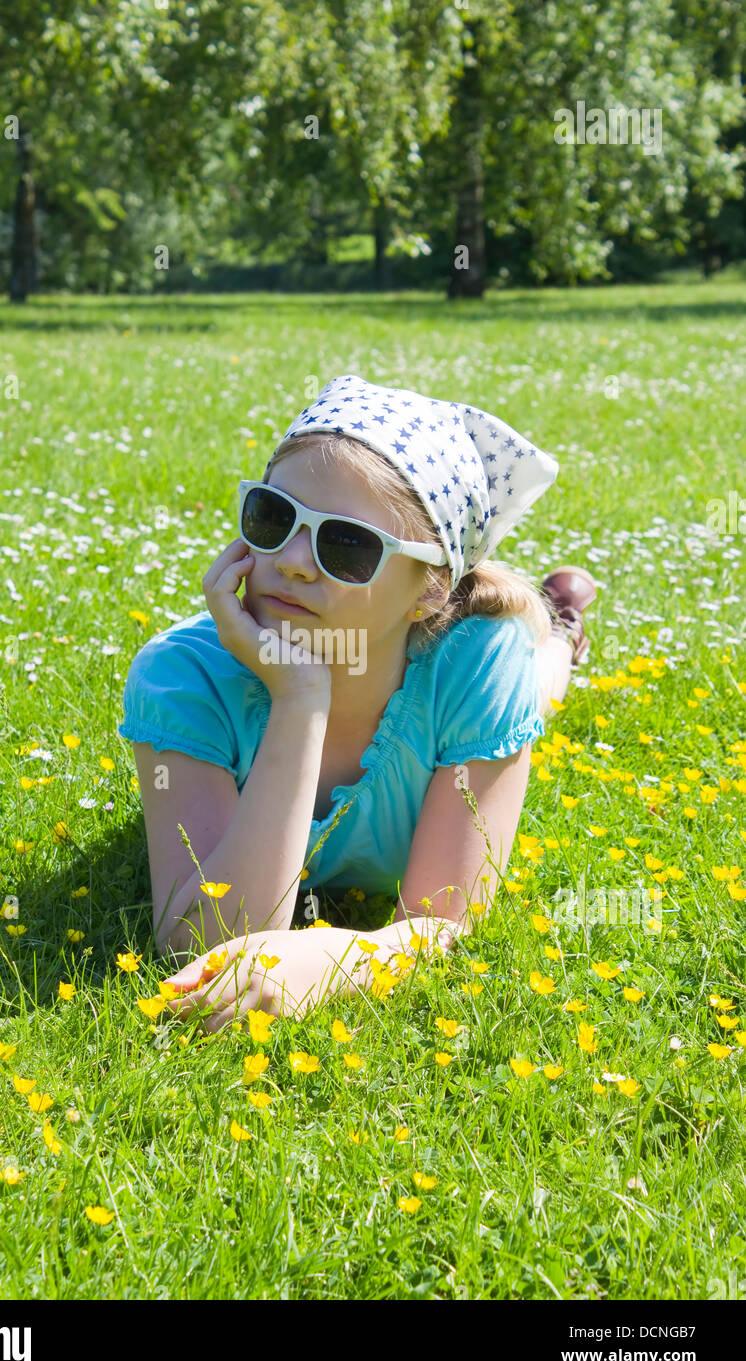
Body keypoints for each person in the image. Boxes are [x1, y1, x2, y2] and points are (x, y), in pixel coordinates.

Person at [117, 374, 596, 1030]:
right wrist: (300, 698)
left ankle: (561, 628)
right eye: (273, 517)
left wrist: (339, 957)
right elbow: (204, 943)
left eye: (345, 545)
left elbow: (442, 918)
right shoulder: (181, 676)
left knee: (537, 682)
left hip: (459, 668)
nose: (289, 561)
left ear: (430, 589)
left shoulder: (479, 665)